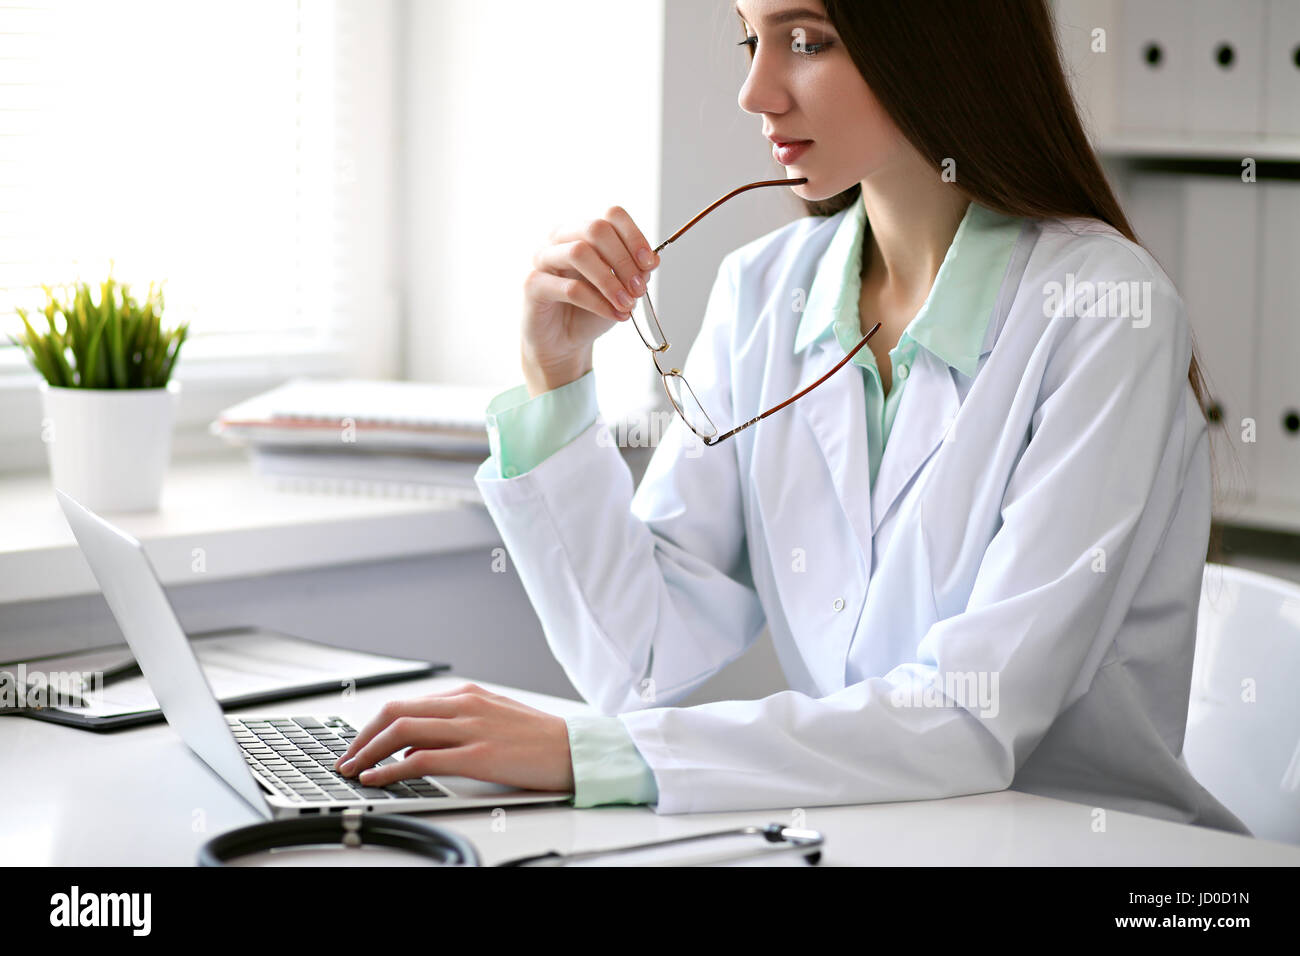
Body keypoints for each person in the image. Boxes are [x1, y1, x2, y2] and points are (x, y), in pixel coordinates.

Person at [333, 0, 1248, 834]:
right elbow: (640, 656)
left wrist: (599, 754)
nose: (753, 89)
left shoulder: (1105, 312)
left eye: (805, 41)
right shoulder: (765, 291)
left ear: (935, 46)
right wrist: (556, 376)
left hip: (1084, 845)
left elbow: (971, 719)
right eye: (750, 37)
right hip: (872, 830)